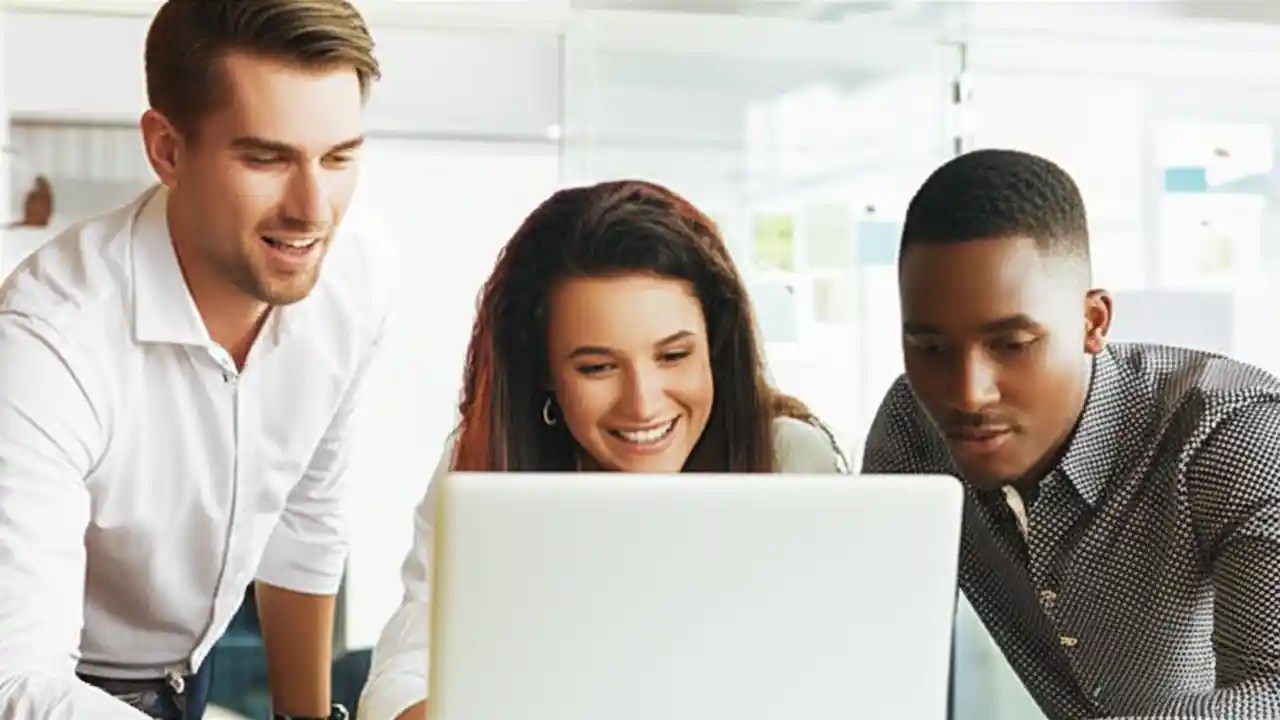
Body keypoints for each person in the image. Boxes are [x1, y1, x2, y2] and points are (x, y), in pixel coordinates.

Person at [0, 2, 388, 718]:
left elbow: (306, 517)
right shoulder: (46, 341)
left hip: (190, 672)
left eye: (338, 157)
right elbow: (18, 682)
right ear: (168, 150)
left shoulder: (353, 286)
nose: (314, 209)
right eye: (267, 158)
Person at [357, 179, 847, 720]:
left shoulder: (793, 461)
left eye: (673, 356)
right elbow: (405, 673)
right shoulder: (484, 460)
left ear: (716, 344)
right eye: (598, 368)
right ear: (544, 370)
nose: (642, 405)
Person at [862, 148, 1280, 719]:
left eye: (1012, 344)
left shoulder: (1227, 425)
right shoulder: (912, 430)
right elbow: (879, 644)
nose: (968, 393)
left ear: (1093, 322)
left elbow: (1273, 689)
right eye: (930, 348)